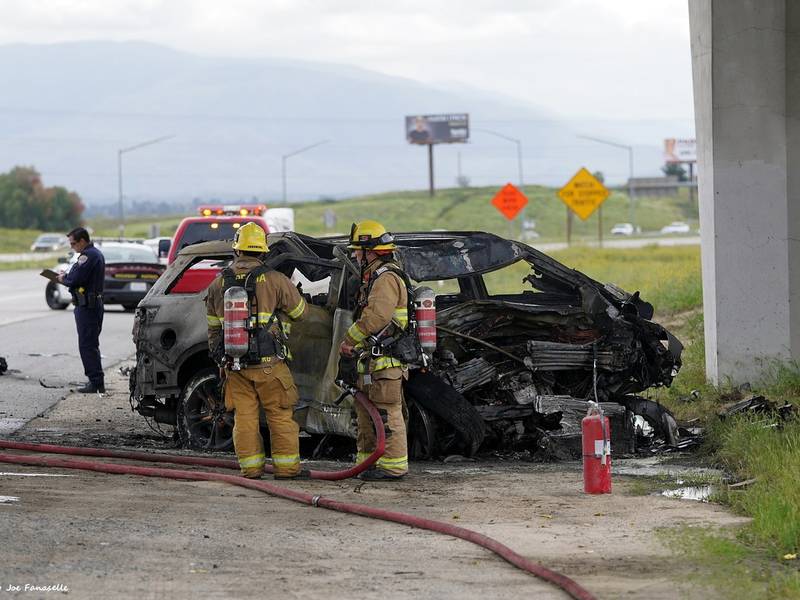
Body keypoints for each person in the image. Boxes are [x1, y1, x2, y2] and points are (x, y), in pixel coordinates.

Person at [205, 222, 308, 479]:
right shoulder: (274, 279)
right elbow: (301, 313)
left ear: (237, 250)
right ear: (262, 252)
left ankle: (250, 469)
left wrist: (221, 359)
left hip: (235, 364)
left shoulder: (218, 284)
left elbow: (214, 331)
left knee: (245, 417)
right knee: (280, 414)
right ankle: (286, 469)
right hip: (269, 364)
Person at [339, 220, 409, 481]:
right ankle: (367, 463)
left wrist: (349, 340)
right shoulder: (374, 279)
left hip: (386, 362)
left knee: (387, 414)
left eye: (358, 251)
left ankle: (393, 466)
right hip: (371, 362)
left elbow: (377, 317)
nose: (356, 255)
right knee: (366, 413)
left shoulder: (386, 278)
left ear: (371, 252)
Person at [58, 227, 105, 394]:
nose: (72, 246)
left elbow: (76, 278)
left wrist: (64, 278)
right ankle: (95, 380)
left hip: (88, 307)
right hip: (90, 305)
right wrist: (69, 276)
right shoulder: (91, 254)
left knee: (87, 344)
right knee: (90, 343)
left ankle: (96, 382)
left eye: (73, 243)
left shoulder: (88, 255)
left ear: (83, 241)